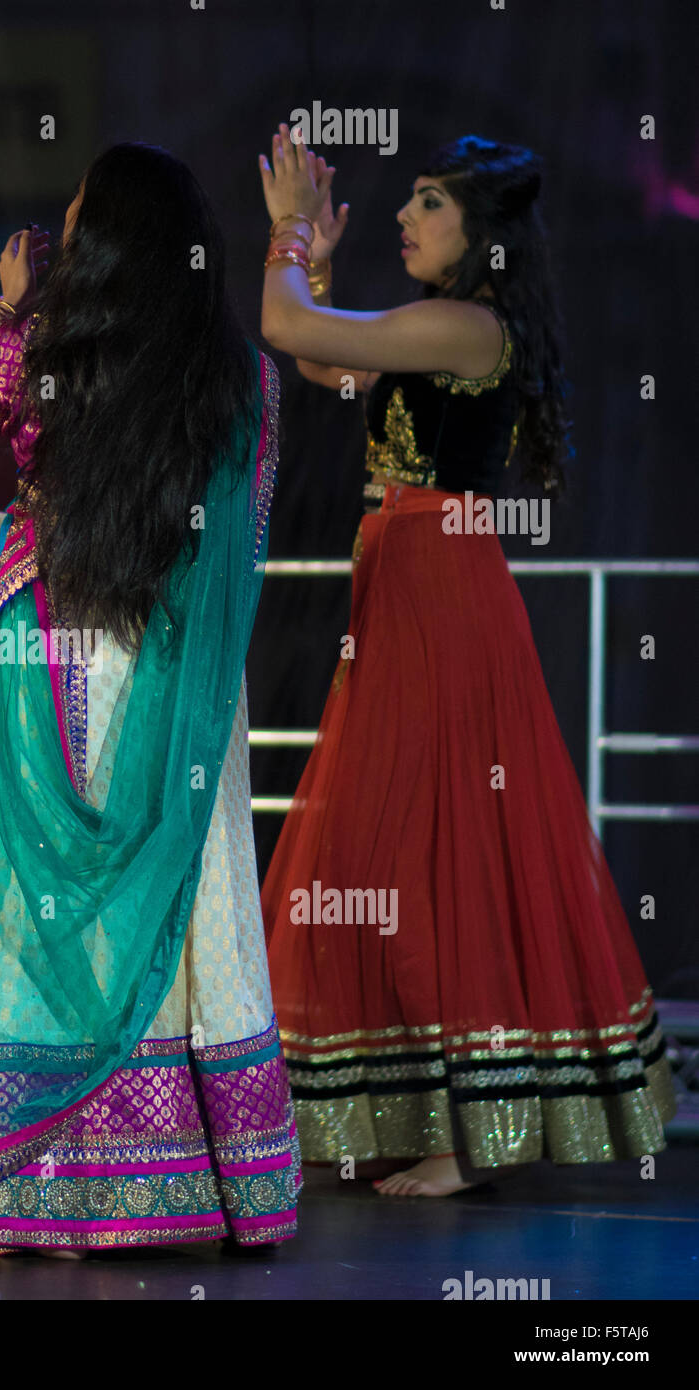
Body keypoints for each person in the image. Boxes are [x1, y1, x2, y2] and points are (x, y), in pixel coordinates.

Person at [0, 143, 302, 1253]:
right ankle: (186, 1174)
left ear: (93, 251)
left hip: (46, 646)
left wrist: (7, 310)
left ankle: (21, 1173)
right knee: (184, 900)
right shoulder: (244, 383)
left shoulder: (37, 350)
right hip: (180, 671)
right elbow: (248, 537)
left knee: (23, 908)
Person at [256, 128, 676, 1196]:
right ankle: (411, 1104)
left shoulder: (464, 324)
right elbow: (317, 353)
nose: (405, 216)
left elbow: (279, 325)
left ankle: (470, 1130)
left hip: (437, 588)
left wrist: (288, 231)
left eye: (428, 203)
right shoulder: (440, 326)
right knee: (387, 842)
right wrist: (315, 270)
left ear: (480, 236)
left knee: (439, 840)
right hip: (407, 580)